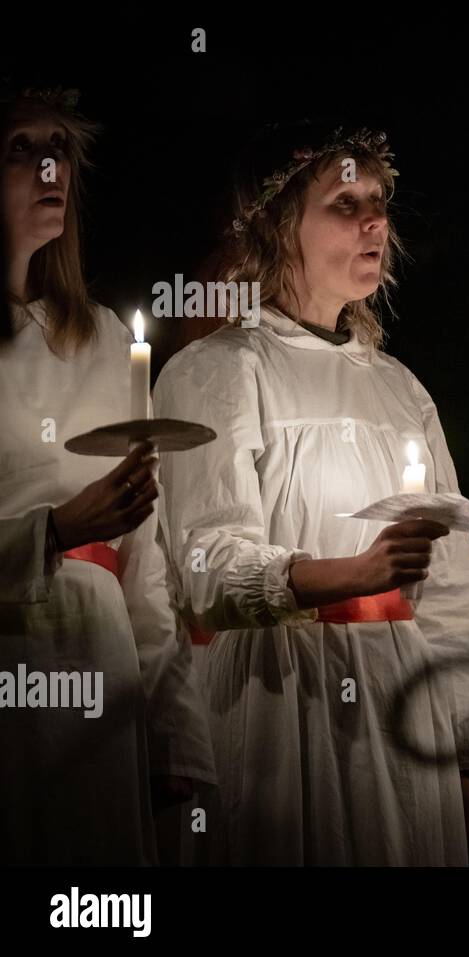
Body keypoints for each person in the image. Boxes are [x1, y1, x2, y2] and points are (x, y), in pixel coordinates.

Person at [153, 123, 469, 864]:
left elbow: (455, 592)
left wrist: (462, 753)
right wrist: (349, 574)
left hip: (403, 711)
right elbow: (206, 563)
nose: (375, 221)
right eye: (345, 203)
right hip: (277, 697)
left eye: (379, 200)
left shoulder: (401, 389)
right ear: (280, 228)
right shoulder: (219, 370)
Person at [0, 86, 214, 864]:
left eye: (60, 147)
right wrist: (56, 528)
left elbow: (144, 564)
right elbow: (77, 524)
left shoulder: (101, 338)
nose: (50, 164)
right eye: (22, 147)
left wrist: (174, 740)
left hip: (102, 664)